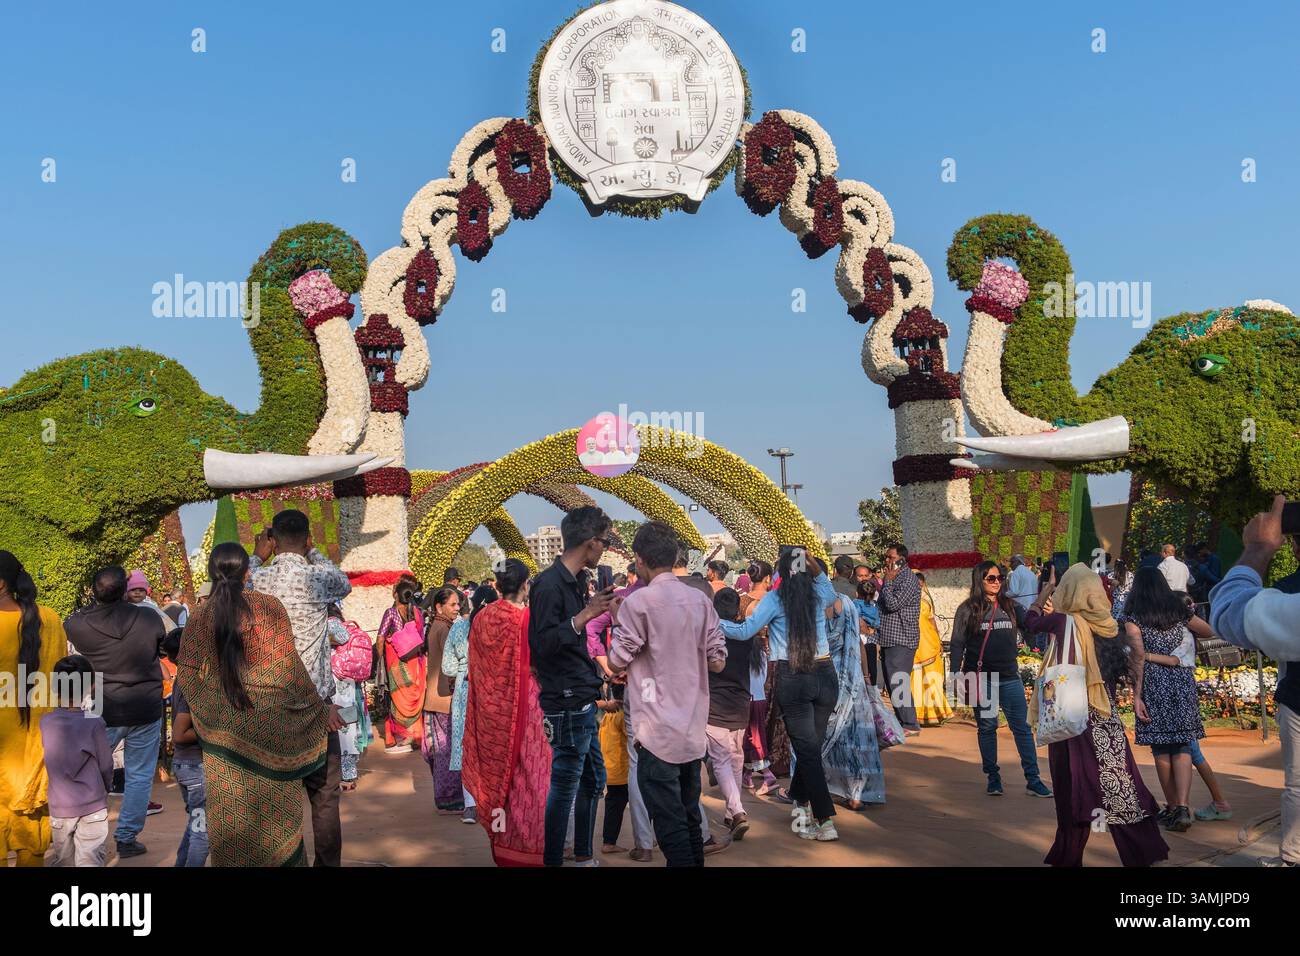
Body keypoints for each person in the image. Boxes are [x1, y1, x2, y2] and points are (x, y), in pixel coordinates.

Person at [176, 543, 327, 865]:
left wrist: (209, 714)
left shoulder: (202, 614)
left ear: (211, 574)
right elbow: (290, 667)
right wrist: (318, 708)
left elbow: (187, 674)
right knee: (279, 822)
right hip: (272, 728)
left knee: (233, 823)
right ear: (248, 572)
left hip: (223, 737)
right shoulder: (269, 607)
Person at [1025, 563, 1169, 867]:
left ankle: (1069, 855)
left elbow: (1031, 620)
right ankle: (1143, 853)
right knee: (1119, 786)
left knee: (1070, 787)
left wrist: (1046, 591)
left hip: (1071, 717)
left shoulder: (1066, 622)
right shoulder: (1108, 625)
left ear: (1072, 592)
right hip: (1104, 721)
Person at [608, 522, 727, 865]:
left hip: (656, 733)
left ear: (640, 560)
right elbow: (717, 660)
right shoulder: (700, 601)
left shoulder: (637, 604)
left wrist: (620, 620)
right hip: (691, 732)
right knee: (689, 815)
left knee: (670, 824)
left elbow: (617, 661)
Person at [249, 510, 350, 867]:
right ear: (307, 539)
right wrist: (314, 553)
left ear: (272, 540)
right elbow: (344, 582)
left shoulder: (258, 579)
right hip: (318, 707)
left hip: (270, 704)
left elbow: (235, 585)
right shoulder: (319, 576)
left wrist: (257, 555)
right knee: (324, 796)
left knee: (279, 792)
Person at [721, 546, 842, 842]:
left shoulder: (775, 599)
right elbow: (828, 587)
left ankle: (825, 820)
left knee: (808, 750)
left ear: (779, 573)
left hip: (794, 678)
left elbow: (745, 631)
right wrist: (809, 560)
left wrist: (713, 621)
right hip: (826, 677)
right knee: (811, 747)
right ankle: (800, 801)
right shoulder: (818, 592)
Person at [1209, 496, 1299, 866]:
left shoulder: (1290, 590)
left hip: (1297, 699)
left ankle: (1293, 856)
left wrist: (1258, 549)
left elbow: (1231, 611)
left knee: (1298, 784)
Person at [529, 506, 615, 867]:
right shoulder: (549, 584)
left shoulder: (574, 581)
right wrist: (585, 615)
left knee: (593, 779)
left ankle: (581, 855)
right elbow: (542, 644)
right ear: (591, 542)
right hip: (564, 700)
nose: (605, 550)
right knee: (565, 786)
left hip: (579, 696)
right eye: (604, 542)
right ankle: (557, 860)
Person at [64, 564, 164, 859]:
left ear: (93, 592)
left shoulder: (77, 624)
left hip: (102, 707)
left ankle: (84, 837)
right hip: (145, 705)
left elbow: (72, 632)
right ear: (124, 590)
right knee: (139, 775)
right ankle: (126, 837)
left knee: (87, 771)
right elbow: (162, 646)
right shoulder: (148, 617)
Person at [462, 559, 551, 866]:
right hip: (526, 710)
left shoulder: (481, 618)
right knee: (530, 779)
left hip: (491, 715)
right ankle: (529, 850)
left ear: (497, 586)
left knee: (498, 781)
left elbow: (478, 668)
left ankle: (501, 844)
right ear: (525, 585)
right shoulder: (527, 619)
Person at [951, 561, 1051, 798]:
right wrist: (955, 675)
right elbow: (957, 644)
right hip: (981, 678)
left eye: (999, 577)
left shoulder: (1011, 605)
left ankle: (1033, 779)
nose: (997, 582)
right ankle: (993, 777)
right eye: (991, 578)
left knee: (1023, 729)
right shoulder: (968, 609)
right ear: (980, 580)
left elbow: (1032, 626)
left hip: (1010, 677)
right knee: (987, 727)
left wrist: (1048, 601)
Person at [1122, 567, 1208, 832]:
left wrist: (1137, 696)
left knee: (1161, 748)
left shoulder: (1133, 616)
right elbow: (1208, 631)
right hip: (1181, 683)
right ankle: (1182, 806)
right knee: (1182, 746)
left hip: (1153, 683)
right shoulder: (1179, 610)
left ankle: (1172, 807)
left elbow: (1137, 657)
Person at [0, 551, 66, 867]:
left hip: (7, 744)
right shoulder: (49, 620)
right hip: (34, 745)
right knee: (31, 840)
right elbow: (61, 682)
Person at [40, 654, 112, 867]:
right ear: (90, 687)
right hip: (93, 804)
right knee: (89, 860)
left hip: (59, 805)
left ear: (55, 687)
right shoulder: (95, 723)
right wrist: (105, 789)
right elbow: (106, 765)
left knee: (62, 861)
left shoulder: (45, 722)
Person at [822, 567, 886, 810]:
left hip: (827, 678)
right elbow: (859, 645)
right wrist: (868, 677)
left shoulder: (814, 610)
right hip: (853, 677)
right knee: (857, 736)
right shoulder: (848, 606)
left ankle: (833, 787)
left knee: (833, 735)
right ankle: (857, 793)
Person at [706, 588, 754, 839]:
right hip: (740, 702)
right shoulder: (746, 635)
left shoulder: (709, 633)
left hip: (714, 704)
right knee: (735, 757)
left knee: (722, 759)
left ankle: (736, 811)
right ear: (737, 610)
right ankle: (731, 811)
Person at [445, 585, 494, 823]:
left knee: (465, 746)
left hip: (464, 692)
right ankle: (493, 801)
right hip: (494, 692)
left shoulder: (459, 628)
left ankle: (470, 806)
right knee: (492, 745)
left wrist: (463, 669)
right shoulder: (501, 627)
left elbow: (447, 667)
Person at [163, 629, 208, 867]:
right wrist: (215, 733)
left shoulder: (187, 679)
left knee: (195, 824)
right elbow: (180, 734)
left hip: (187, 766)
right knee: (203, 831)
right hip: (195, 767)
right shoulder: (189, 682)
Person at [739, 560, 779, 796]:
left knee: (751, 722)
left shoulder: (742, 601)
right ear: (767, 579)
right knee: (761, 720)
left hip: (747, 658)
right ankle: (751, 772)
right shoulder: (773, 601)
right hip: (768, 657)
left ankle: (759, 773)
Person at [423, 585, 464, 814]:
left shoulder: (438, 626)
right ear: (439, 606)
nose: (457, 608)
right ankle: (450, 798)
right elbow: (453, 666)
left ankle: (446, 797)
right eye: (453, 604)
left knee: (443, 750)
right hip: (445, 699)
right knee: (448, 751)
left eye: (458, 604)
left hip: (437, 697)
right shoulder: (445, 629)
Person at [377, 574, 426, 754]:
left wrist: (380, 660)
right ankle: (414, 735)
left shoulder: (390, 613)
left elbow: (381, 637)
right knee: (412, 698)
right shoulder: (417, 613)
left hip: (397, 665)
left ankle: (401, 737)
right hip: (416, 665)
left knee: (397, 698)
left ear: (396, 594)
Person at [877, 543, 922, 734]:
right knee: (891, 682)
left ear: (902, 560)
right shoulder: (895, 578)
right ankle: (902, 722)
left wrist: (886, 582)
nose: (887, 561)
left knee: (898, 681)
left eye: (891, 558)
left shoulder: (908, 579)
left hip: (902, 638)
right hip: (889, 637)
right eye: (886, 557)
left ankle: (910, 723)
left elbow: (894, 604)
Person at [325, 607, 368, 792]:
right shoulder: (336, 623)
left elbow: (341, 637)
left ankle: (346, 776)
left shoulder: (331, 623)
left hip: (336, 679)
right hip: (345, 681)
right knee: (347, 727)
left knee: (343, 729)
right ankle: (347, 776)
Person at [914, 574, 954, 725]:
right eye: (915, 583)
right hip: (913, 646)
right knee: (915, 680)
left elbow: (932, 621)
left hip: (930, 644)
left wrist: (938, 640)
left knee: (933, 679)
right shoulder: (904, 601)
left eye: (920, 583)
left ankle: (937, 713)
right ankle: (916, 715)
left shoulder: (926, 600)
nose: (918, 586)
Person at [598, 681, 629, 854]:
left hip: (610, 770)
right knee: (644, 803)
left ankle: (608, 842)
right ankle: (646, 838)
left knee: (613, 807)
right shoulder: (622, 715)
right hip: (623, 771)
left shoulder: (607, 715)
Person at [855, 579, 882, 688]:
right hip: (872, 639)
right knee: (872, 665)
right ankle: (872, 688)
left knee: (860, 665)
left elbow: (856, 619)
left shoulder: (855, 603)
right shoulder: (875, 606)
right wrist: (872, 628)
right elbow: (878, 622)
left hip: (860, 639)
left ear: (857, 593)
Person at [1007, 555, 1038, 621]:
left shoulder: (1016, 573)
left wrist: (1004, 594)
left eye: (1012, 562)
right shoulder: (1031, 573)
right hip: (1033, 608)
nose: (1010, 565)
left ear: (1018, 562)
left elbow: (1014, 592)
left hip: (1022, 608)